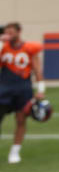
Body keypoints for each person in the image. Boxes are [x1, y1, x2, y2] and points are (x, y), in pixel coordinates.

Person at [0, 22, 44, 164]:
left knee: (20, 120)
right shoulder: (3, 47)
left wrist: (41, 90)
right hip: (4, 89)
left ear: (19, 32)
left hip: (23, 89)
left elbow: (37, 70)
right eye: (6, 32)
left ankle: (15, 151)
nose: (8, 35)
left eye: (11, 32)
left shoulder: (29, 48)